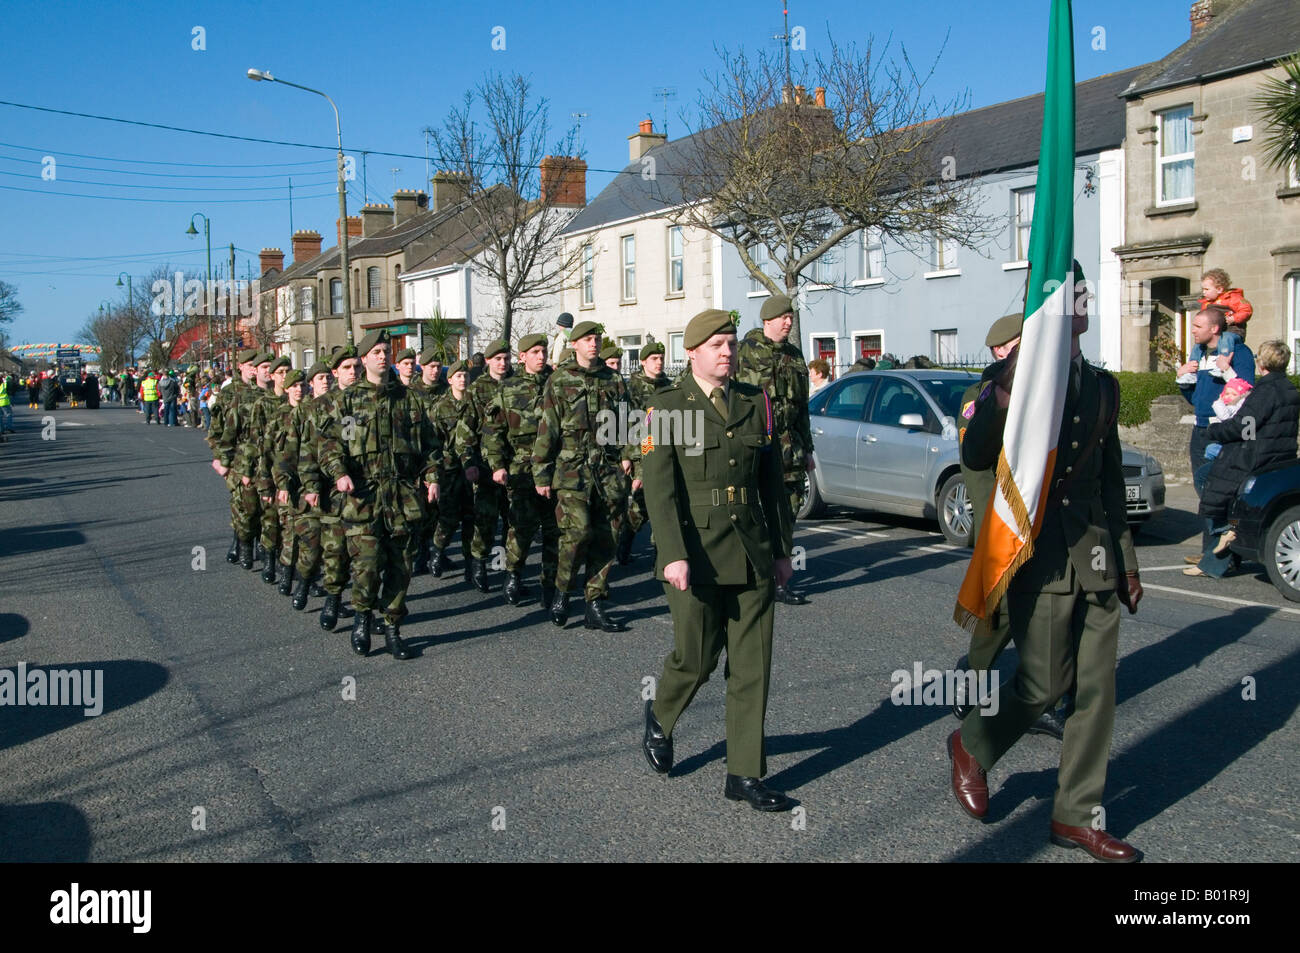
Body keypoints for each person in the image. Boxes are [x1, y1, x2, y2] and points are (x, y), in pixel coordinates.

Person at [948, 276, 1145, 863]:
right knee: (1043, 683)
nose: (1079, 309)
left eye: (1084, 299)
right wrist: (1007, 391)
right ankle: (972, 744)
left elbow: (1110, 484)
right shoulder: (1018, 381)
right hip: (1037, 556)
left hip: (1094, 557)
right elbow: (976, 453)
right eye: (1069, 299)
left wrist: (1129, 566)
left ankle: (1076, 817)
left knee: (1096, 693)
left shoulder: (1104, 388)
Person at [640, 308, 795, 811]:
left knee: (753, 665)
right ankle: (662, 715)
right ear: (692, 353)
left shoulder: (756, 402)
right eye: (716, 345)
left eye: (730, 343)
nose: (727, 352)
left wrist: (782, 551)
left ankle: (745, 773)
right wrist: (673, 555)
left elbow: (771, 486)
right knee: (698, 656)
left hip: (751, 548)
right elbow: (660, 493)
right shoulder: (667, 407)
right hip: (696, 553)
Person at [952, 313, 1069, 741]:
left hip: (1045, 522)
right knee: (999, 616)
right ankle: (972, 674)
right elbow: (977, 466)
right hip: (1001, 524)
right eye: (1021, 343)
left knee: (1049, 611)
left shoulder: (1047, 389)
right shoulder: (981, 397)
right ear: (1003, 351)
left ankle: (1044, 699)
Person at [318, 329, 441, 660]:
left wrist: (431, 477)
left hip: (402, 497)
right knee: (368, 565)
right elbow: (332, 445)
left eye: (387, 351)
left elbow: (429, 446)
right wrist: (340, 472)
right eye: (376, 352)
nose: (383, 357)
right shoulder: (349, 402)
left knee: (401, 567)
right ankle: (362, 616)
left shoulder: (410, 400)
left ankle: (392, 628)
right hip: (364, 496)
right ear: (363, 359)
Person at [532, 320, 634, 631]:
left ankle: (595, 604)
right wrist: (540, 472)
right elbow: (547, 428)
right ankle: (563, 591)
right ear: (574, 344)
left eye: (598, 339)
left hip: (607, 472)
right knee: (578, 532)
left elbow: (633, 423)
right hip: (571, 470)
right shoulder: (559, 381)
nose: (594, 344)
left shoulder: (614, 379)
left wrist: (632, 457)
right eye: (588, 339)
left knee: (608, 537)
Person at [1189, 340, 1300, 578]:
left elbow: (1245, 427)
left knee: (1206, 479)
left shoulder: (1265, 391)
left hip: (1253, 456)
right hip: (1278, 454)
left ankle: (1226, 531)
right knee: (1223, 491)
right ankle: (1222, 556)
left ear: (1262, 364)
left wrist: (1214, 432)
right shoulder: (1290, 389)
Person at [736, 294, 814, 605]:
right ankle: (750, 575)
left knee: (786, 515)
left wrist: (808, 448)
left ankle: (779, 582)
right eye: (783, 317)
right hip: (757, 448)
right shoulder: (746, 351)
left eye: (791, 317)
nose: (789, 321)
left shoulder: (795, 357)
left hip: (790, 451)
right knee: (754, 514)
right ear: (768, 320)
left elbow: (803, 409)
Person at [482, 333, 558, 608]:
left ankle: (550, 582)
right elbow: (493, 431)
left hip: (554, 468)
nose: (541, 356)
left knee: (555, 529)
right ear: (523, 356)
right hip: (522, 469)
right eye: (535, 352)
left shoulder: (558, 383)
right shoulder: (508, 388)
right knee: (522, 527)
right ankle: (513, 573)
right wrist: (497, 465)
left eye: (544, 351)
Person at [1177, 307, 1255, 559]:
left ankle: (1224, 553)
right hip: (1200, 428)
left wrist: (1226, 369)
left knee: (1219, 492)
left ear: (1214, 328)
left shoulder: (1238, 353)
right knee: (1206, 493)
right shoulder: (1198, 353)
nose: (1193, 330)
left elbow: (1244, 391)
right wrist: (1182, 379)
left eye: (1198, 326)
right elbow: (1195, 398)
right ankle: (1210, 552)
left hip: (1222, 430)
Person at [300, 347, 362, 631]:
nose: (353, 372)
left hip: (367, 490)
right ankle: (333, 599)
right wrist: (311, 485)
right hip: (333, 493)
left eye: (355, 367)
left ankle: (367, 609)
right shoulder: (319, 407)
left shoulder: (369, 400)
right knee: (335, 551)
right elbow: (309, 450)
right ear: (336, 372)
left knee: (367, 555)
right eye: (346, 368)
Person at [456, 339, 513, 593]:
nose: (503, 363)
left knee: (512, 522)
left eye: (506, 358)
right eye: (498, 359)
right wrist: (469, 461)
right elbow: (466, 429)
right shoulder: (477, 389)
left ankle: (503, 568)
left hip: (515, 465)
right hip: (486, 466)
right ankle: (479, 563)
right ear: (488, 360)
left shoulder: (518, 385)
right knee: (487, 520)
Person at [284, 362, 334, 610]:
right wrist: (284, 485)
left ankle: (331, 600)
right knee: (311, 547)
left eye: (327, 377)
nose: (325, 381)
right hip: (308, 491)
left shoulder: (341, 409)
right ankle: (303, 583)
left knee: (334, 552)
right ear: (311, 384)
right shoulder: (301, 414)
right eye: (319, 378)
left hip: (336, 491)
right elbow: (289, 454)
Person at [620, 341, 672, 564]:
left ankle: (661, 554)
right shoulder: (631, 387)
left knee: (665, 503)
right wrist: (628, 455)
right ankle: (625, 541)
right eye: (654, 359)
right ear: (643, 362)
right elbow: (625, 423)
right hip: (644, 449)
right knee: (641, 506)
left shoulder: (669, 386)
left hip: (667, 449)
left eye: (661, 358)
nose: (659, 362)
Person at [209, 350, 259, 564]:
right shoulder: (228, 392)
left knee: (260, 504)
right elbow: (217, 429)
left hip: (259, 458)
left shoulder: (263, 391)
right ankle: (238, 542)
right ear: (240, 367)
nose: (253, 368)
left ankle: (259, 544)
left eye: (255, 364)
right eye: (249, 364)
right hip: (236, 456)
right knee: (240, 504)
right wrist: (220, 458)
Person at [428, 360, 475, 581]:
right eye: (458, 376)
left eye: (465, 375)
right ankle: (437, 550)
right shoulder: (440, 407)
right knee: (448, 517)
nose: (463, 380)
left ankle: (470, 564)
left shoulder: (475, 403)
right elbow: (432, 442)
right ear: (450, 380)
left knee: (471, 518)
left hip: (471, 469)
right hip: (449, 470)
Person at [1198, 268, 1253, 341]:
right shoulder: (1206, 304)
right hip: (1215, 333)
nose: (1204, 292)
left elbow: (1246, 310)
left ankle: (1225, 352)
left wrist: (1234, 318)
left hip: (1232, 331)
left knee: (1226, 339)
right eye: (1203, 289)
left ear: (1219, 289)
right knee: (1199, 343)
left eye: (1206, 289)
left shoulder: (1233, 298)